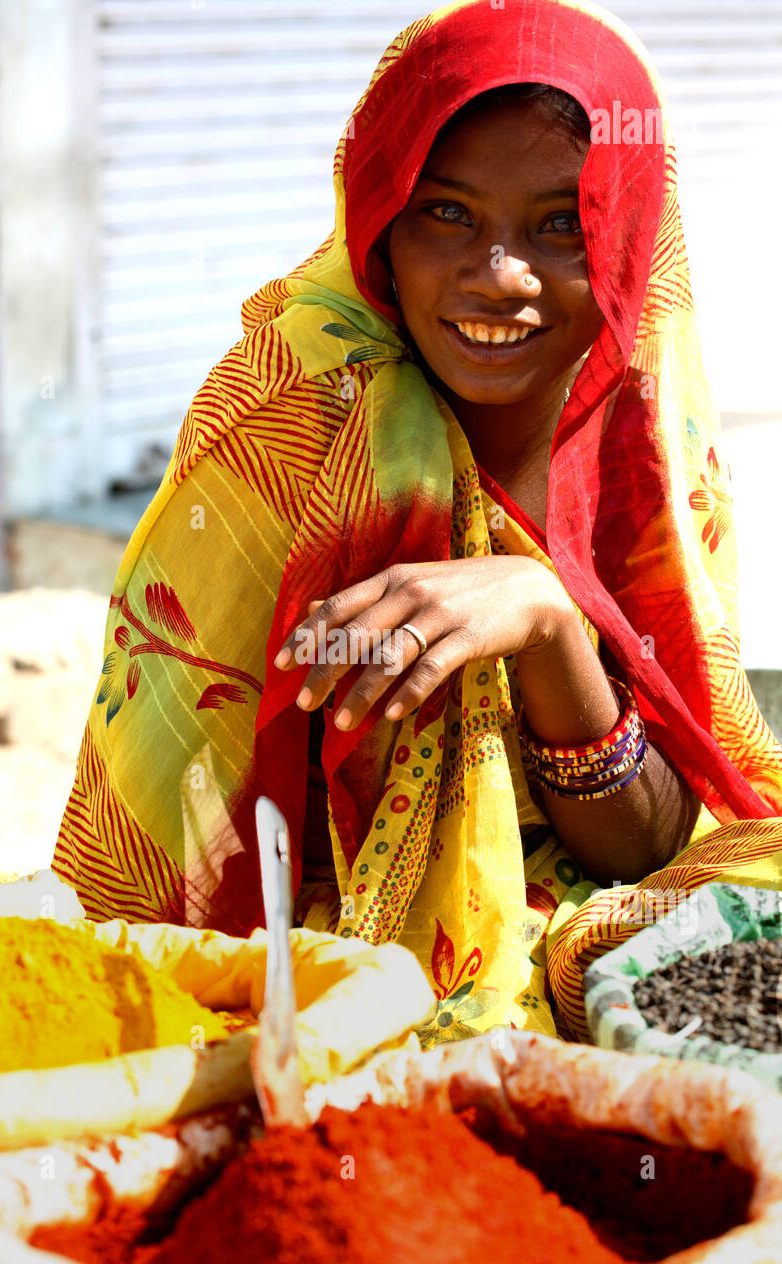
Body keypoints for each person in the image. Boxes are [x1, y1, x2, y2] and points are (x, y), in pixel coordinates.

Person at [53, 0, 782, 1044]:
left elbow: (646, 845)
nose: (499, 275)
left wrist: (545, 625)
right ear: (380, 222)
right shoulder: (294, 425)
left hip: (585, 925)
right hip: (319, 950)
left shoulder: (641, 451)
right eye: (446, 213)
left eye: (560, 226)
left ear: (621, 241)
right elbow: (191, 841)